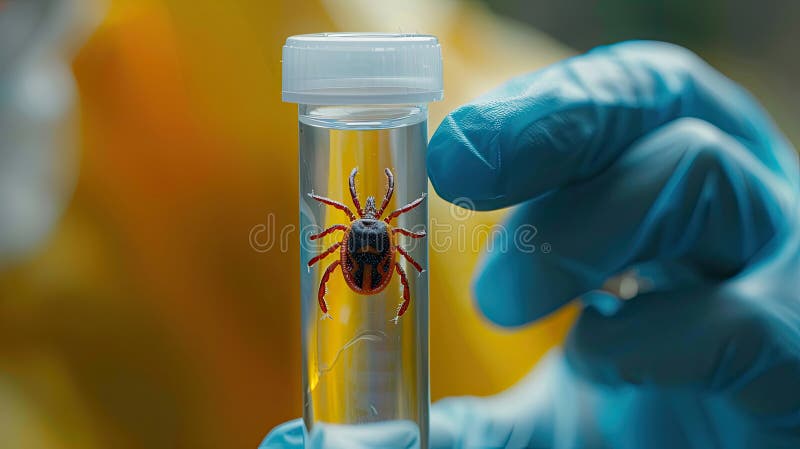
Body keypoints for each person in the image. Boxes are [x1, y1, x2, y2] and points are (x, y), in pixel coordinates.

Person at [261, 40, 800, 449]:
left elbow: (336, 249)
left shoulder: (353, 231)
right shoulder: (394, 236)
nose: (372, 216)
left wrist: (335, 280)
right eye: (370, 214)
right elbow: (396, 245)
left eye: (370, 215)